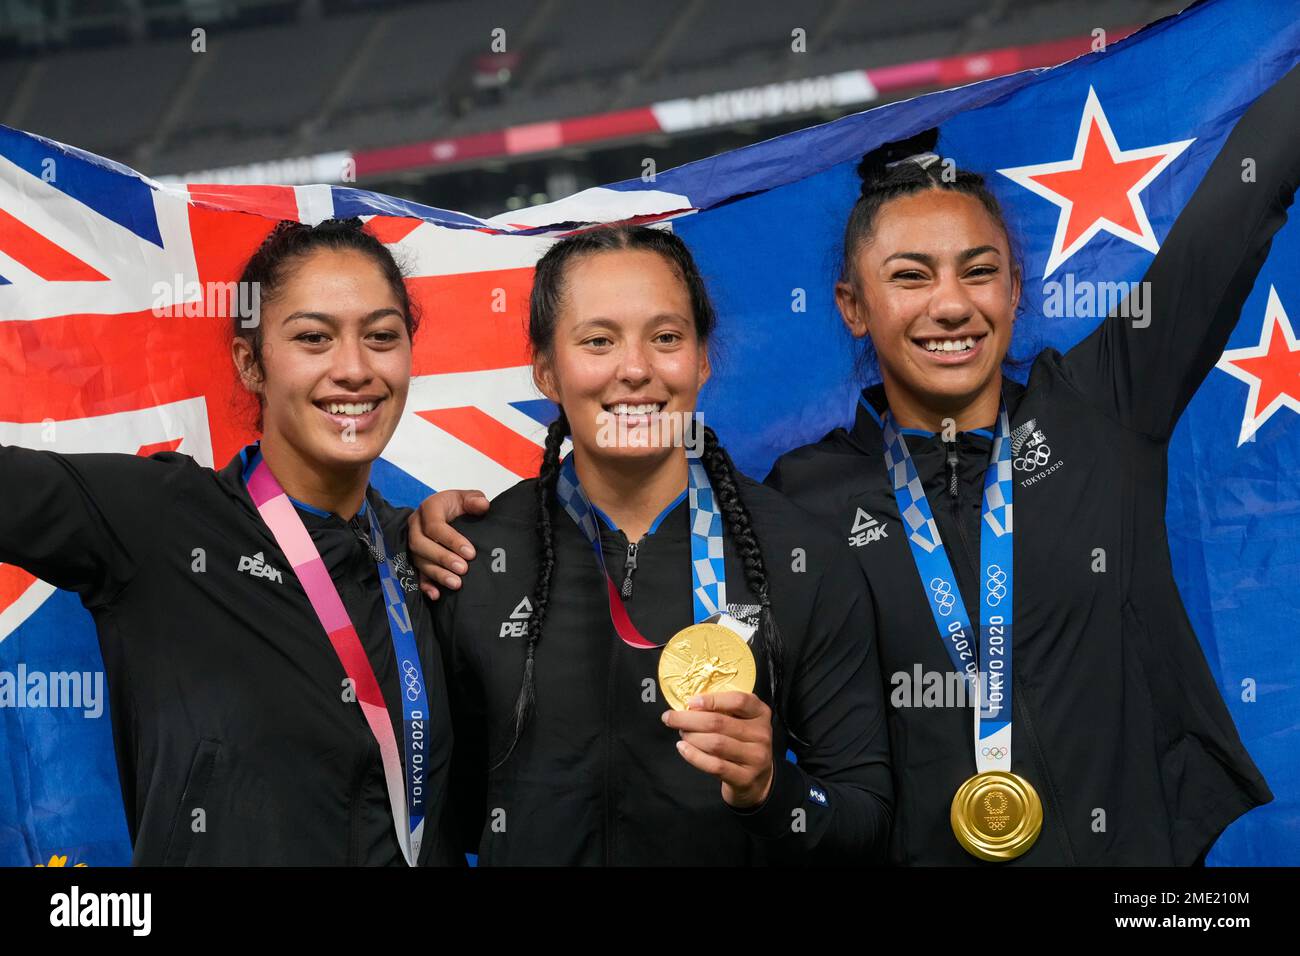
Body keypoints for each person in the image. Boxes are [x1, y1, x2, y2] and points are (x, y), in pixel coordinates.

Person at [409, 65, 1300, 864]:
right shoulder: (807, 499)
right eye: (910, 276)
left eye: (978, 271)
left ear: (1015, 290)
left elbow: (1240, 205)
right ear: (851, 306)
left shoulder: (1106, 407)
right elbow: (642, 518)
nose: (950, 304)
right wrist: (444, 525)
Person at [0, 218, 458, 865]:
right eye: (313, 338)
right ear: (250, 362)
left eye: (382, 337)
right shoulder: (156, 520)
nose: (354, 368)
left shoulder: (423, 556)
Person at [431, 224, 892, 865]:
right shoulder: (468, 561)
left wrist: (771, 790)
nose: (636, 369)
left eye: (666, 338)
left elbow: (864, 818)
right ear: (545, 371)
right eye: (598, 341)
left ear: (702, 359)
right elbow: (435, 823)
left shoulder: (801, 557)